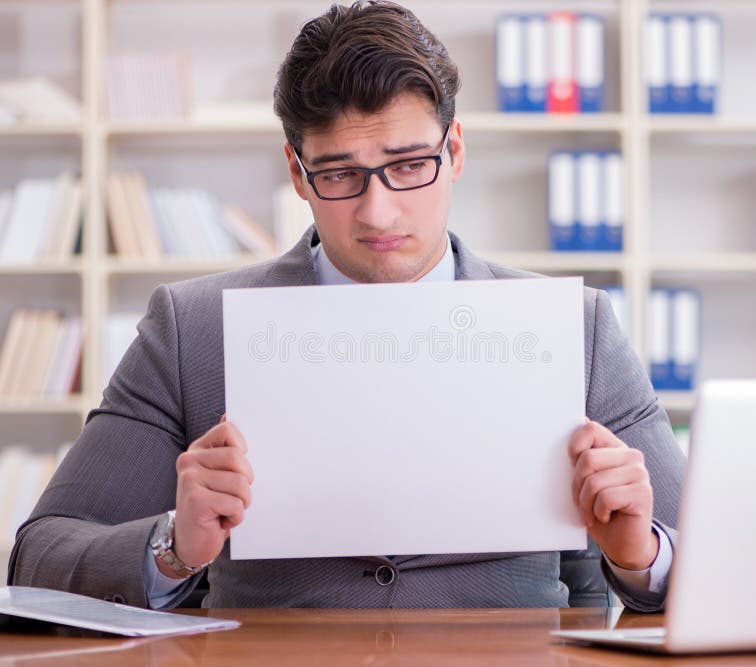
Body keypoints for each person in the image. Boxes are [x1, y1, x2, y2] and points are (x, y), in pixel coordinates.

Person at [8, 1, 685, 610]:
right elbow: (38, 559)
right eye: (338, 174)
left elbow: (710, 564)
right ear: (297, 173)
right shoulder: (193, 328)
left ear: (453, 151)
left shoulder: (576, 328)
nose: (378, 210)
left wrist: (641, 553)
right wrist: (172, 544)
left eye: (409, 164)